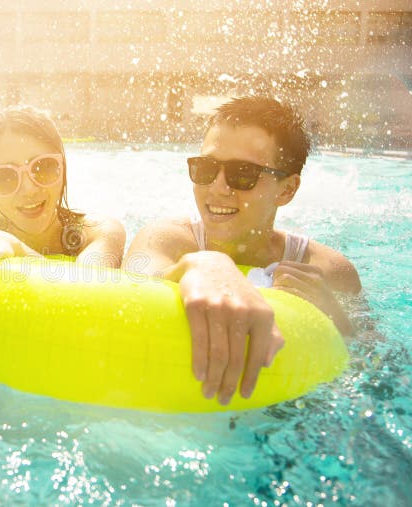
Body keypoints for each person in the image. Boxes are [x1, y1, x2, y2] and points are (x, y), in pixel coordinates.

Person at [123, 96, 361, 405]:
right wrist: (204, 264)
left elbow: (377, 364)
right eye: (206, 168)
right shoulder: (169, 239)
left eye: (243, 174)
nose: (218, 187)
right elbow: (135, 279)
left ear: (287, 189)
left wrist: (338, 323)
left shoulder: (329, 270)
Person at [0, 105, 126, 308]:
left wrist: (14, 246)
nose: (29, 189)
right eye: (4, 176)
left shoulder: (96, 233)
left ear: (63, 166)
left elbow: (86, 297)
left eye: (43, 166)